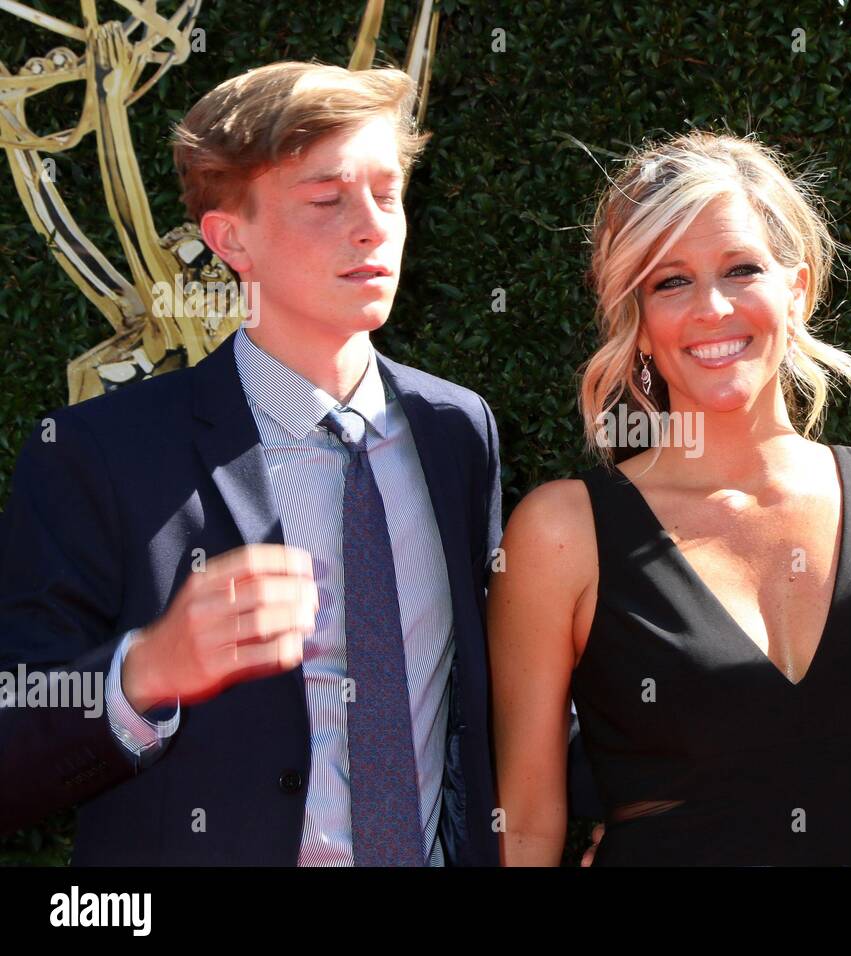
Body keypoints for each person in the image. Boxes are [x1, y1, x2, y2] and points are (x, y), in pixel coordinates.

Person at [0, 62, 502, 865]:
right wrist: (142, 673)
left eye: (387, 193)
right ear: (231, 239)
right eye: (327, 200)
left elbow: (496, 694)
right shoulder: (99, 455)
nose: (372, 227)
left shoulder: (456, 431)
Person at [489, 131, 851, 865]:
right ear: (638, 322)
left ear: (797, 291)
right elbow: (523, 822)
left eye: (741, 269)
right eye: (670, 282)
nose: (711, 308)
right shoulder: (562, 531)